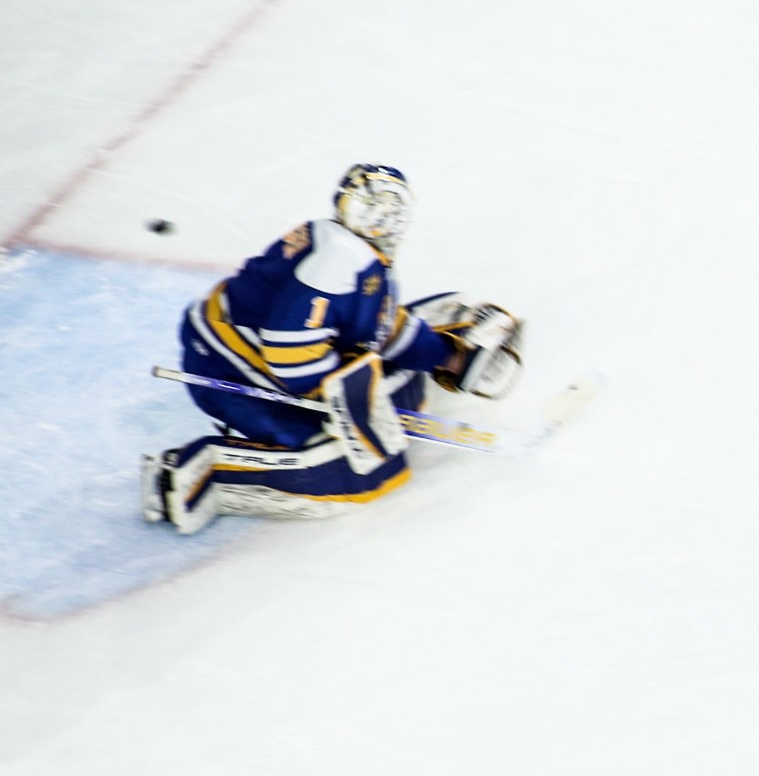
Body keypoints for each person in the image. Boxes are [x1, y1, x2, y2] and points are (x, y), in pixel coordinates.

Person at [142, 163, 524, 533]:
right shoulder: (339, 258)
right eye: (373, 206)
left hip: (248, 341)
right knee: (355, 470)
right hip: (220, 356)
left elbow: (376, 325)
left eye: (391, 209)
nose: (382, 217)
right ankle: (194, 473)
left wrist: (445, 355)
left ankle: (433, 344)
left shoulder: (353, 251)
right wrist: (335, 397)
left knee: (385, 399)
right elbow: (287, 350)